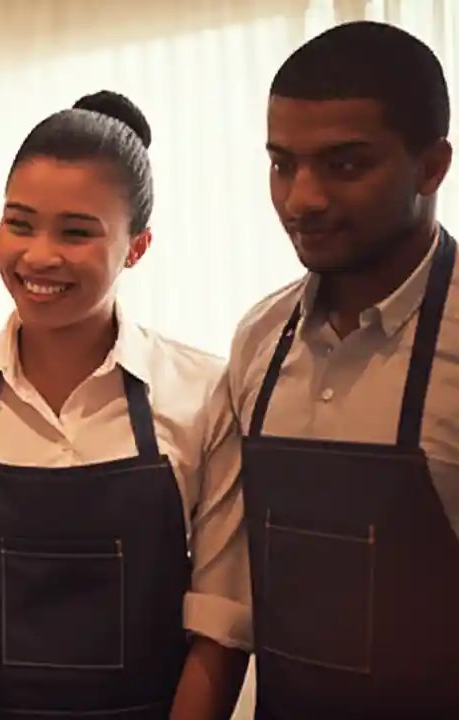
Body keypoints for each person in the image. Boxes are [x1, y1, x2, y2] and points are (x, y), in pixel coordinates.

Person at [0, 91, 252, 720]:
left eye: (76, 232)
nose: (38, 255)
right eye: (19, 222)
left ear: (136, 247)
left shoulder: (203, 392)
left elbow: (222, 621)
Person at [229, 21, 458, 718]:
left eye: (345, 165)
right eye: (281, 164)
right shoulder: (259, 341)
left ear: (431, 166)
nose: (302, 199)